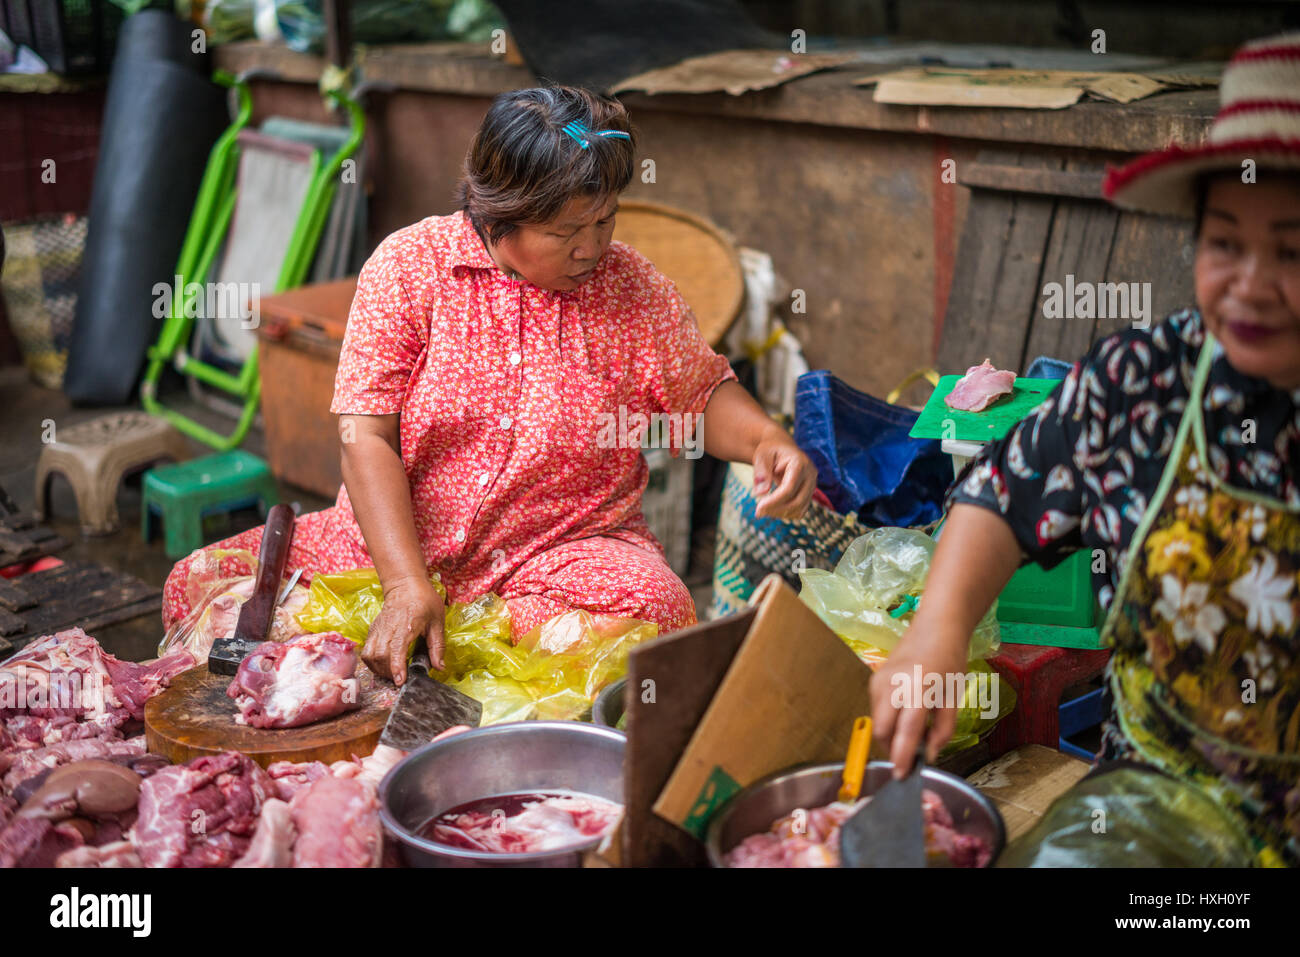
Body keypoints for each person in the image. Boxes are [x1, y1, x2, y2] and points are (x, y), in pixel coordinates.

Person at [162, 86, 816, 684]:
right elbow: (365, 435)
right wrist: (402, 584)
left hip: (559, 557)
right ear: (497, 214)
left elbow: (700, 395)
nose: (591, 249)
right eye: (565, 232)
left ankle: (435, 660)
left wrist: (765, 442)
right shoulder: (410, 269)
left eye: (604, 220)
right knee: (198, 586)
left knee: (656, 612)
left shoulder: (631, 287)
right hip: (390, 547)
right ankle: (441, 649)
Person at [870, 32, 1300, 866]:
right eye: (1224, 243)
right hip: (1165, 797)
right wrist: (938, 633)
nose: (1250, 282)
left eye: (1290, 250)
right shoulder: (1145, 380)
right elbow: (1002, 491)